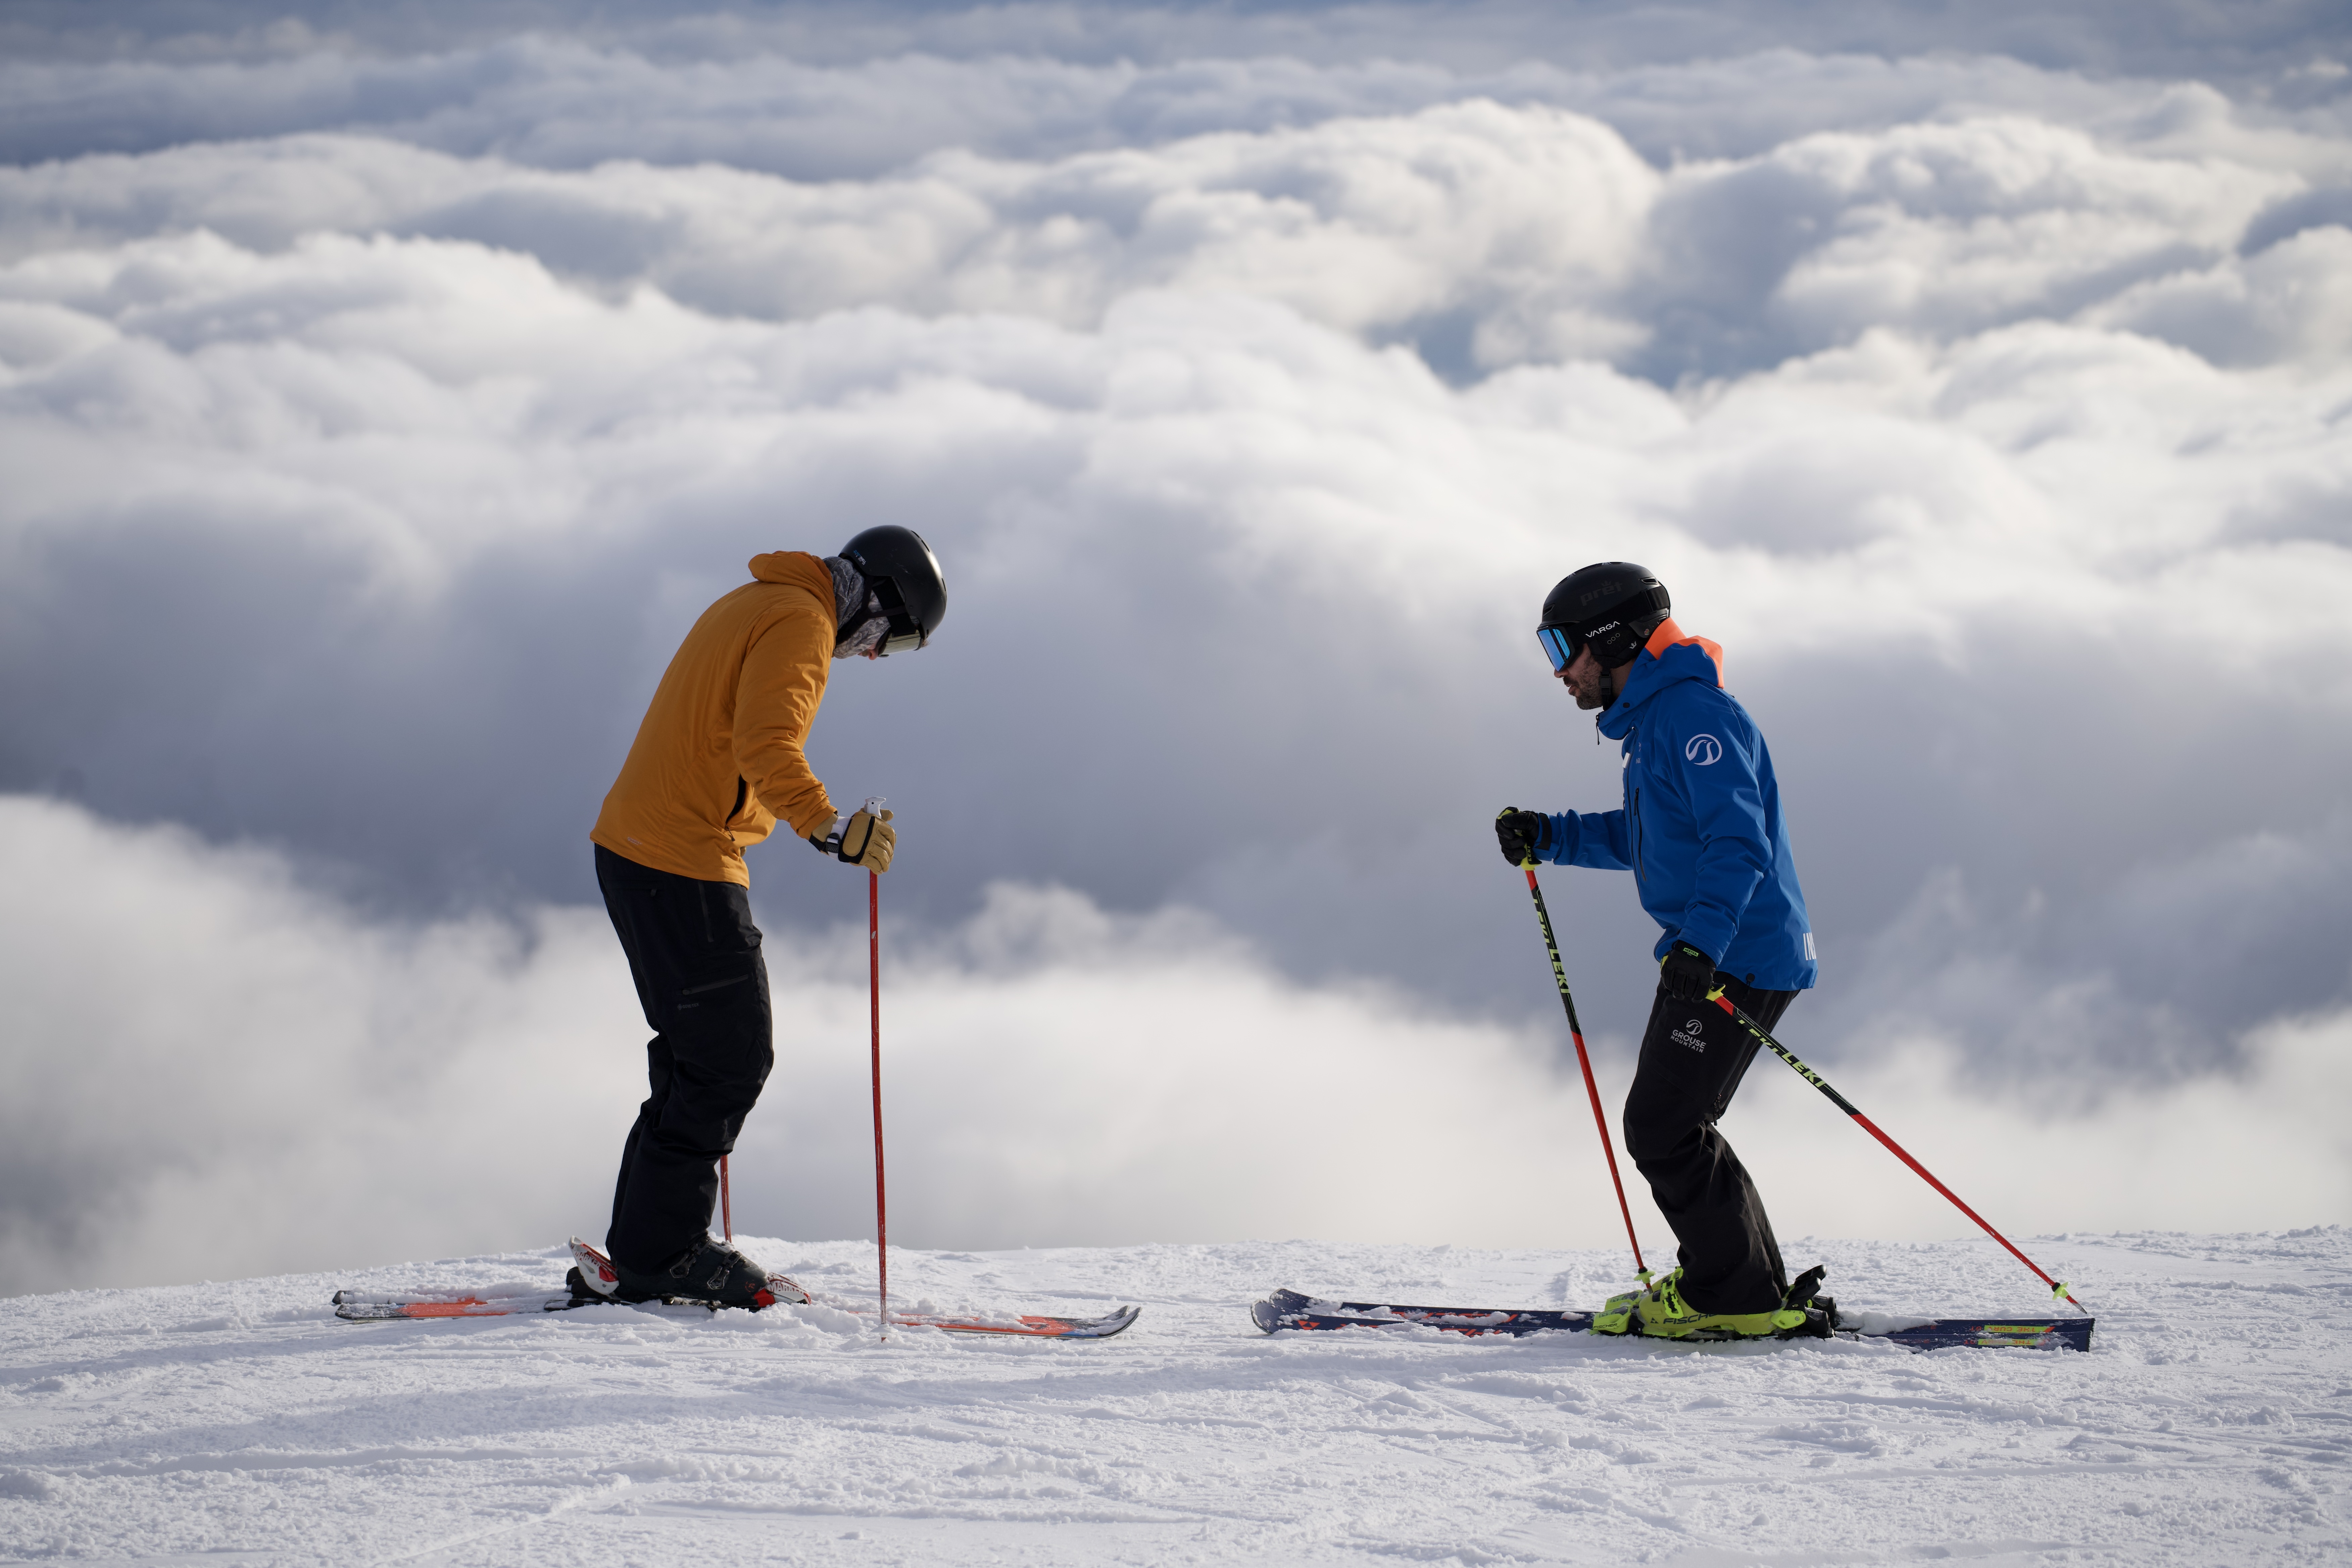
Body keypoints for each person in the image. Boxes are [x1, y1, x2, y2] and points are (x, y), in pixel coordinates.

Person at [577, 527, 946, 1308]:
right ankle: (663, 1253)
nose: (874, 655)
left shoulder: (761, 599)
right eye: (893, 637)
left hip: (639, 850)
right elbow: (765, 742)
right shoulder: (803, 621)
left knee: (698, 1054)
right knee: (731, 1056)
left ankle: (646, 1243)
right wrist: (830, 827)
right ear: (879, 598)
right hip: (680, 859)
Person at [1495, 562, 1818, 1339]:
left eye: (1563, 647)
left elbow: (1737, 842)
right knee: (1674, 1122)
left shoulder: (1694, 717)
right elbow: (1652, 837)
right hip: (1716, 948)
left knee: (1663, 1125)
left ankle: (1733, 1295)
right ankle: (1745, 1285)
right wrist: (1553, 835)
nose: (1559, 671)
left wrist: (1701, 943)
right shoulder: (1657, 721)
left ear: (1613, 640)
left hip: (1735, 951)